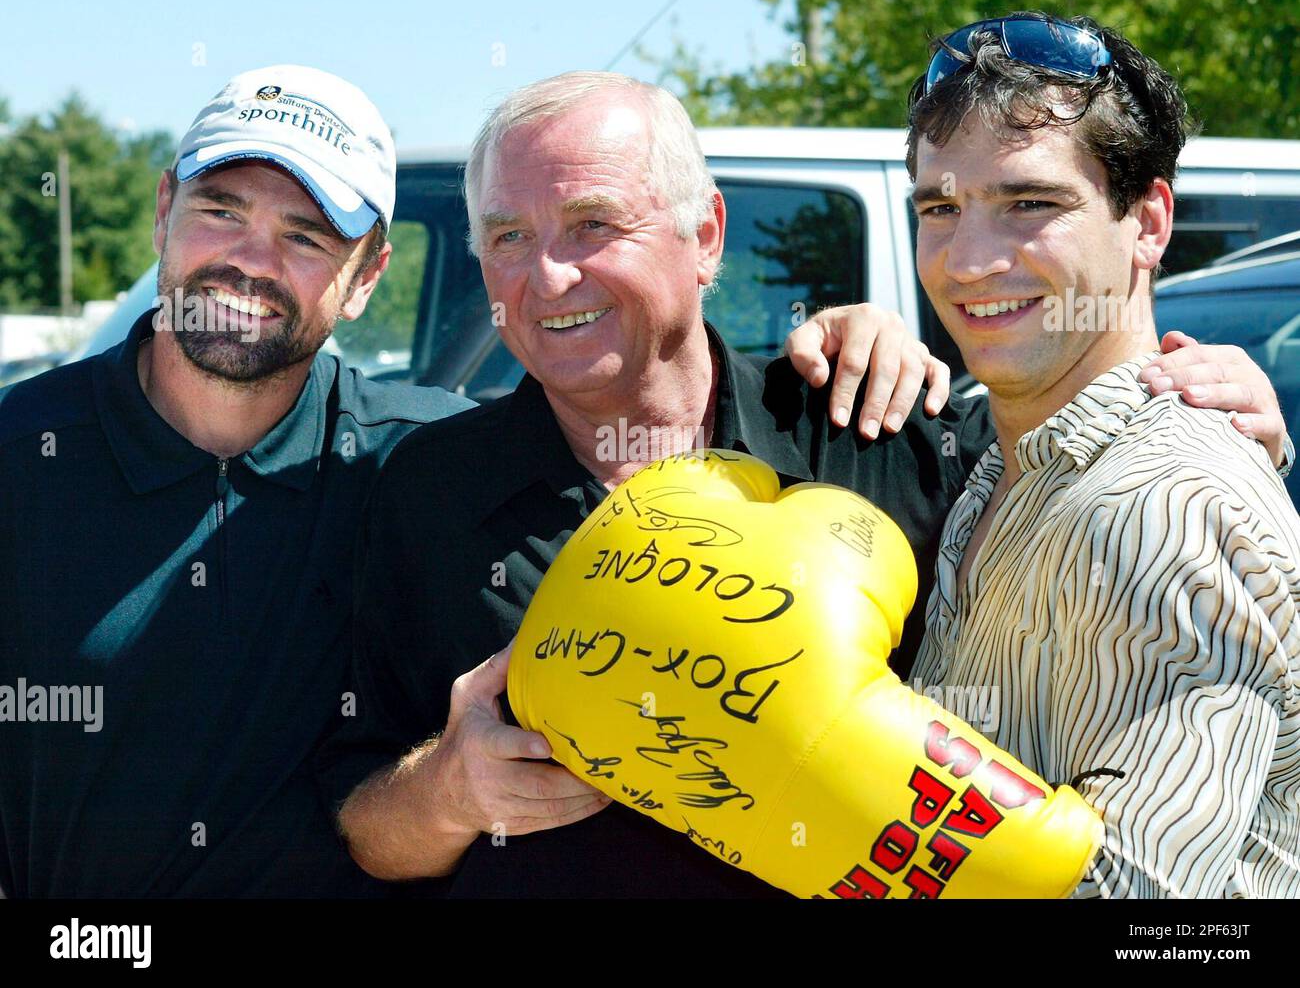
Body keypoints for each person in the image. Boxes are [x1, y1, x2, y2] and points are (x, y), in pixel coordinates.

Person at [320, 70, 1288, 898]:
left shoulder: (870, 421)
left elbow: (1069, 441)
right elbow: (352, 816)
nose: (549, 275)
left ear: (706, 236)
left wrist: (1202, 403)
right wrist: (447, 789)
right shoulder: (422, 492)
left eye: (590, 223)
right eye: (507, 237)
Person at [0, 64, 474, 897]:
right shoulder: (17, 451)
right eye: (220, 211)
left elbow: (655, 472)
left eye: (306, 236)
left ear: (365, 278)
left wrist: (786, 393)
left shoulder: (432, 464)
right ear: (161, 214)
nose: (250, 262)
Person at [903, 13, 1300, 897]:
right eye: (941, 208)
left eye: (1030, 204)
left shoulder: (1163, 507)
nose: (967, 261)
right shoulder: (1003, 467)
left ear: (1148, 222)